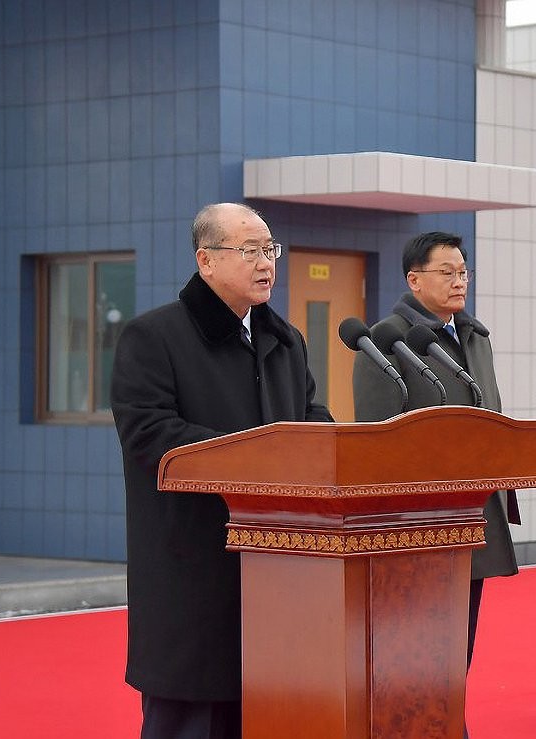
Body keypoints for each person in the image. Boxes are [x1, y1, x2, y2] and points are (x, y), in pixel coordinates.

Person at [111, 203, 332, 738]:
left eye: (270, 250)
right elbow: (151, 436)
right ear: (205, 261)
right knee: (189, 717)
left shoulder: (286, 341)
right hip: (194, 568)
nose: (266, 263)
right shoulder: (154, 337)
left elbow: (312, 420)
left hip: (278, 569)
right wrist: (262, 455)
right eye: (250, 251)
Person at [351, 231, 521, 734]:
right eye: (446, 272)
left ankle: (447, 723)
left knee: (460, 641)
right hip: (418, 525)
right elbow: (377, 442)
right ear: (414, 279)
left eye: (463, 271)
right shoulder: (386, 342)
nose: (458, 281)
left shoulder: (475, 337)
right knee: (415, 647)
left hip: (476, 513)